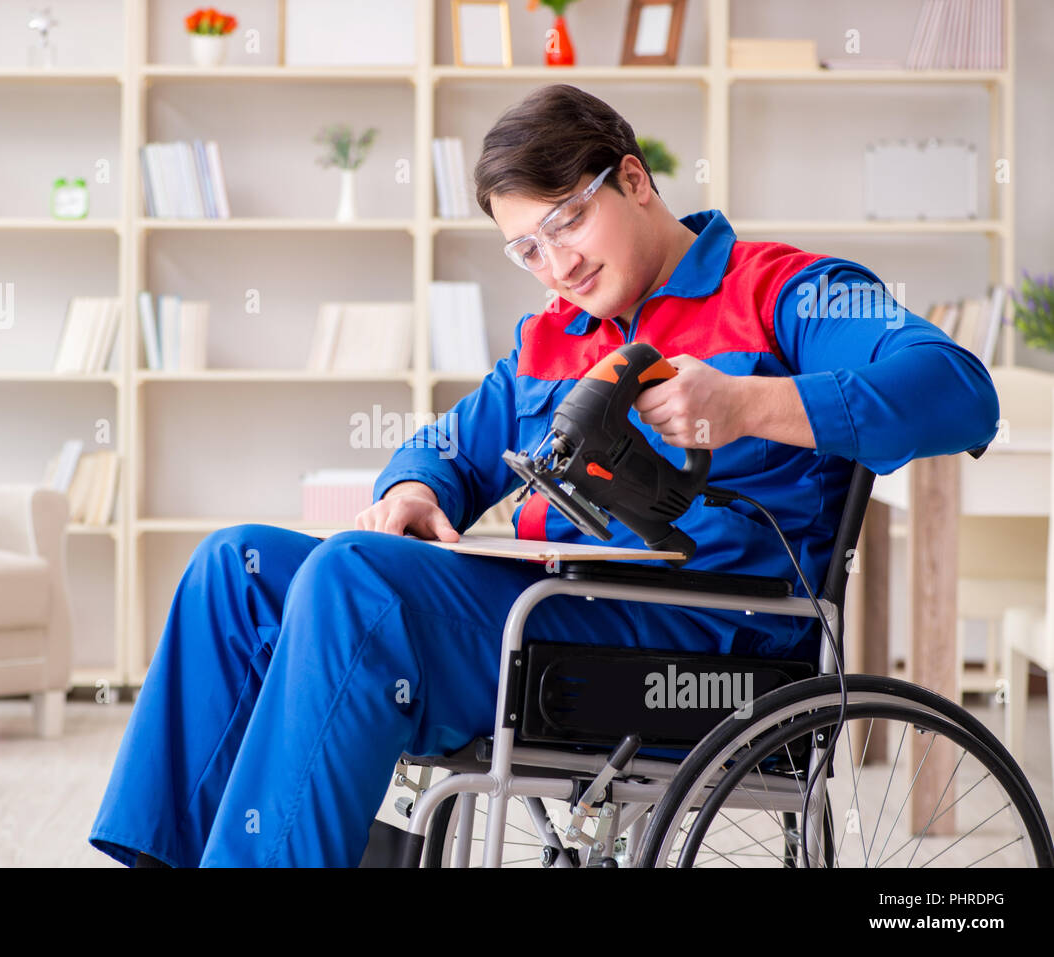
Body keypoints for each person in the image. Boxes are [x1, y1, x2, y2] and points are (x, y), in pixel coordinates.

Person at [88, 83, 999, 868]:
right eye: (528, 249)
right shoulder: (550, 337)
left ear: (634, 179)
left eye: (566, 223)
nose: (556, 265)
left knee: (353, 584)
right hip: (557, 614)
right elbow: (452, 447)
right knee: (233, 570)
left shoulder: (785, 290)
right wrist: (415, 488)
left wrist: (748, 406)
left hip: (706, 643)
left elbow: (959, 391)